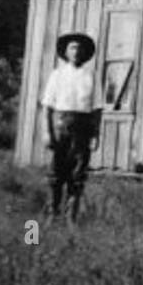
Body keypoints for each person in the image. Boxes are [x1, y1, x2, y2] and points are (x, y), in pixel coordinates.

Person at [40, 32, 103, 222]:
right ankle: (53, 215)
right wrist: (46, 132)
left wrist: (95, 135)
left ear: (85, 53)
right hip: (60, 126)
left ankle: (71, 218)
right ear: (66, 52)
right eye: (72, 48)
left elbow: (97, 109)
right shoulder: (57, 75)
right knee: (56, 172)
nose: (76, 51)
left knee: (78, 173)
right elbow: (47, 107)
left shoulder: (91, 75)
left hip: (83, 128)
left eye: (79, 48)